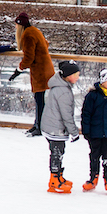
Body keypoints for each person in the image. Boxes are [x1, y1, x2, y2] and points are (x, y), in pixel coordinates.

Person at [42, 60, 82, 193]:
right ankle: (54, 180)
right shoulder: (63, 91)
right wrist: (74, 132)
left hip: (52, 126)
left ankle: (58, 176)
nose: (78, 77)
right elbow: (67, 115)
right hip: (56, 129)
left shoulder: (60, 86)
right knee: (57, 153)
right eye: (76, 74)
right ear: (68, 75)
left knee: (58, 152)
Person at [16, 12, 54, 137]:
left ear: (20, 25)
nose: (15, 27)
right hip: (46, 68)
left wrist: (18, 69)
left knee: (39, 100)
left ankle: (39, 126)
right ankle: (38, 124)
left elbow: (29, 57)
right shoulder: (35, 30)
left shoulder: (27, 34)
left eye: (16, 25)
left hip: (40, 71)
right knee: (40, 99)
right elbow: (46, 44)